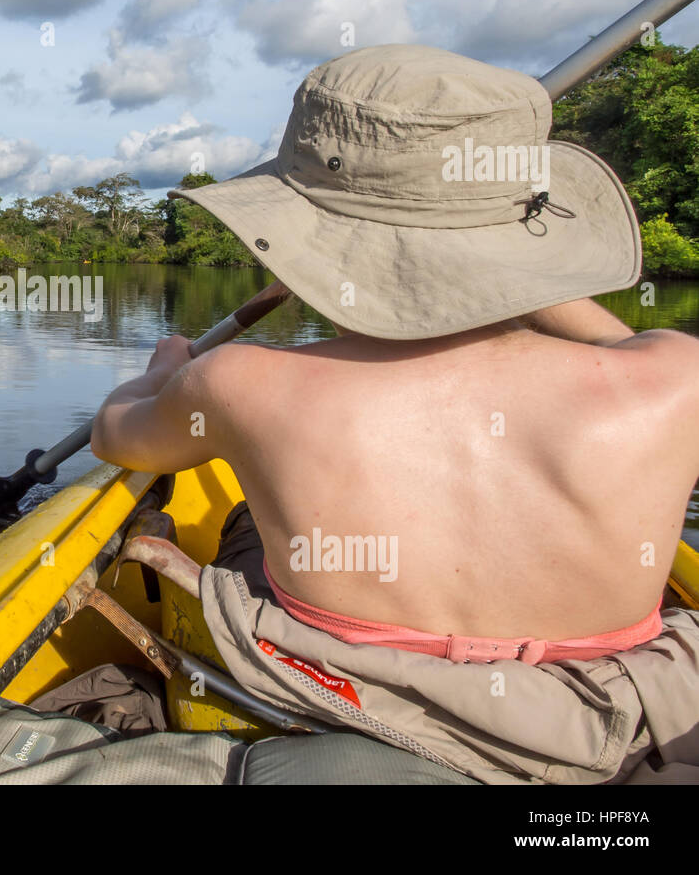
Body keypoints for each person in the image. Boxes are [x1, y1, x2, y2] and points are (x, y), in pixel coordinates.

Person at [89, 45, 699, 780]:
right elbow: (628, 346)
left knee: (246, 521)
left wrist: (165, 368)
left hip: (361, 703)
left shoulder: (240, 382)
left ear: (313, 238)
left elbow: (116, 433)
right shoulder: (676, 380)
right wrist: (506, 266)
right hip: (610, 713)